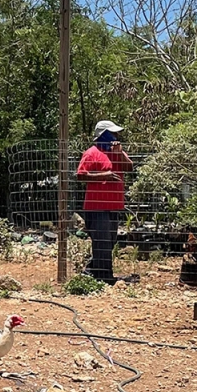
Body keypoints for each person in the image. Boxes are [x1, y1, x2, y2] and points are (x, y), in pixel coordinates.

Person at [75, 120, 132, 284]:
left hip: (114, 205)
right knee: (102, 241)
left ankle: (92, 271)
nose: (116, 136)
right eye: (112, 133)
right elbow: (80, 175)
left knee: (110, 241)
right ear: (103, 135)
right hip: (97, 206)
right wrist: (103, 176)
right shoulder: (91, 153)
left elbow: (129, 168)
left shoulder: (117, 151)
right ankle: (104, 277)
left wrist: (120, 154)